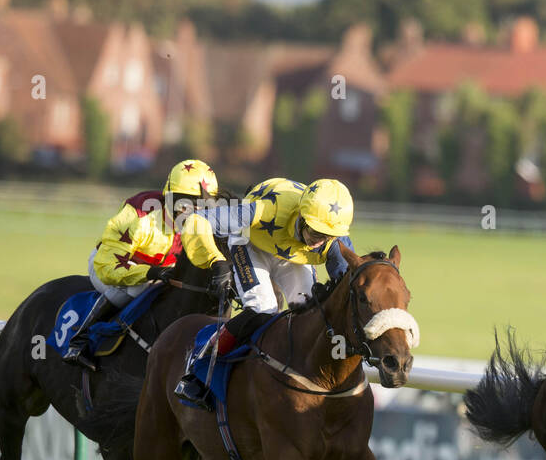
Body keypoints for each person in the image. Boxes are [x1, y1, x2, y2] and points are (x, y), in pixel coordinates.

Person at [174, 177, 355, 406]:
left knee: (311, 313)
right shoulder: (265, 209)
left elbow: (347, 290)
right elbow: (195, 221)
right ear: (301, 217)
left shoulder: (334, 236)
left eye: (328, 237)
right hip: (250, 241)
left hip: (292, 254)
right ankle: (200, 368)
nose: (320, 242)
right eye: (317, 233)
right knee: (263, 309)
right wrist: (215, 261)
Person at [64, 158, 231, 369]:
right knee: (137, 288)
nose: (194, 213)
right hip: (111, 265)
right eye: (187, 204)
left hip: (158, 272)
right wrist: (150, 272)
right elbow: (107, 266)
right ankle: (80, 338)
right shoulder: (140, 213)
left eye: (203, 206)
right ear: (170, 197)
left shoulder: (201, 224)